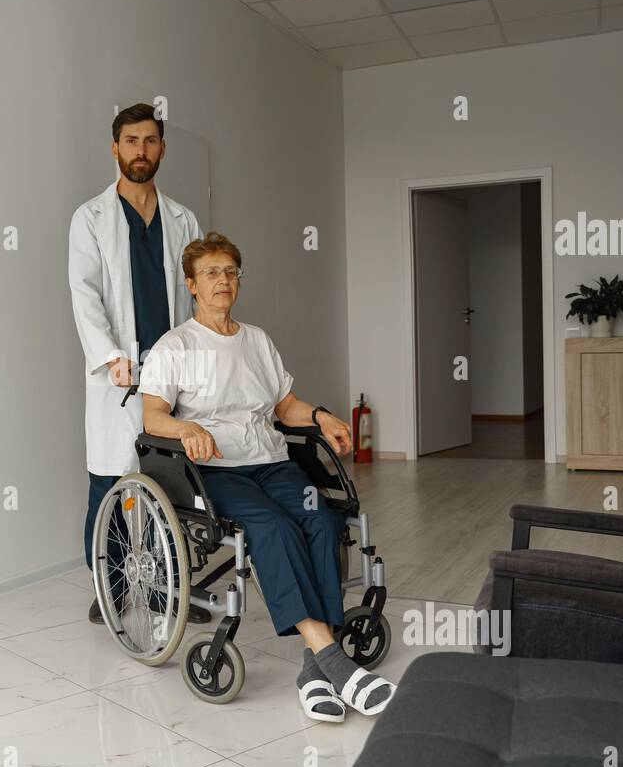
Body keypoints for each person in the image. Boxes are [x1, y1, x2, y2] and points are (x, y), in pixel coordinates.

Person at [136, 231, 396, 720]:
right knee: (273, 528)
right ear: (192, 284)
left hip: (272, 461)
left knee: (322, 521)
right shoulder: (175, 346)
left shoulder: (257, 340)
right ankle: (335, 660)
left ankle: (314, 668)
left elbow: (285, 406)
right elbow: (153, 417)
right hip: (213, 470)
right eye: (211, 273)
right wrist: (186, 426)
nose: (223, 281)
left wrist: (323, 417)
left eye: (230, 272)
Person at [68, 103, 209, 625]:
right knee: (110, 481)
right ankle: (111, 586)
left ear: (162, 149)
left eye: (150, 141)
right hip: (120, 374)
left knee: (169, 481)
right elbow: (84, 295)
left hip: (169, 372)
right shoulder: (90, 218)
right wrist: (111, 358)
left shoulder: (184, 219)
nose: (141, 151)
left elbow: (194, 293)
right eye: (131, 141)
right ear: (115, 148)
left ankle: (166, 590)